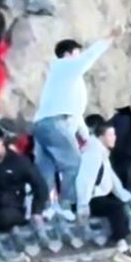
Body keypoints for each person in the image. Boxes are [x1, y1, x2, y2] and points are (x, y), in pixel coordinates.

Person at [30, 38, 110, 219]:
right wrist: (108, 39)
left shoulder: (64, 79)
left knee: (46, 167)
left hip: (43, 124)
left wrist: (89, 140)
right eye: (76, 53)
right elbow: (89, 58)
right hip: (56, 123)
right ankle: (66, 204)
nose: (79, 56)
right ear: (67, 54)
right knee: (73, 162)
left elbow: (76, 114)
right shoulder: (64, 66)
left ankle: (49, 207)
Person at [76, 114, 131, 258]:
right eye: (111, 135)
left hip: (100, 195)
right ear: (101, 137)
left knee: (121, 204)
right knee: (116, 208)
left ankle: (121, 238)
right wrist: (83, 204)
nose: (114, 138)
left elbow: (113, 180)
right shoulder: (93, 154)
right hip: (91, 198)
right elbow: (85, 180)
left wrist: (127, 197)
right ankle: (120, 242)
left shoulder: (102, 153)